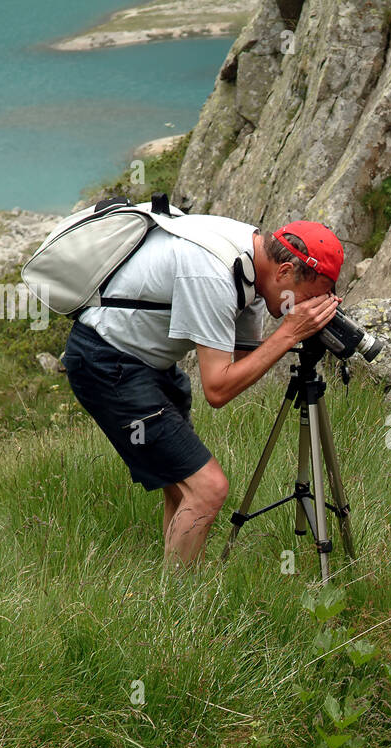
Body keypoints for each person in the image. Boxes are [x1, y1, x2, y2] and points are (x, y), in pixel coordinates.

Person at [61, 217, 345, 566]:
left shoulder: (254, 269)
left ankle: (170, 592)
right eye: (313, 297)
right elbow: (219, 389)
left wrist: (294, 334)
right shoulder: (214, 274)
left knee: (182, 491)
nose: (309, 308)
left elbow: (244, 361)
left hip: (149, 362)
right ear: (285, 271)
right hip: (107, 362)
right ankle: (177, 609)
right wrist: (287, 334)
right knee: (207, 488)